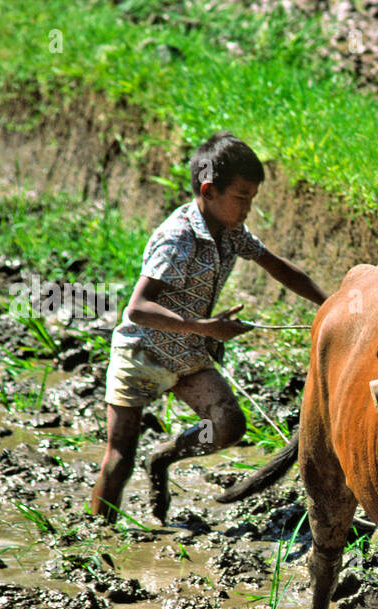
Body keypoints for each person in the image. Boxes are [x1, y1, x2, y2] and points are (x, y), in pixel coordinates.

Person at [90, 132, 326, 524]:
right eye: (242, 196)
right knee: (120, 455)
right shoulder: (177, 237)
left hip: (187, 355)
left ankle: (166, 455)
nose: (248, 207)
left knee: (228, 427)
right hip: (142, 354)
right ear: (209, 190)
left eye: (252, 197)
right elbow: (138, 309)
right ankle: (97, 534)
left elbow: (277, 266)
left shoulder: (231, 232)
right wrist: (206, 328)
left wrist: (328, 303)